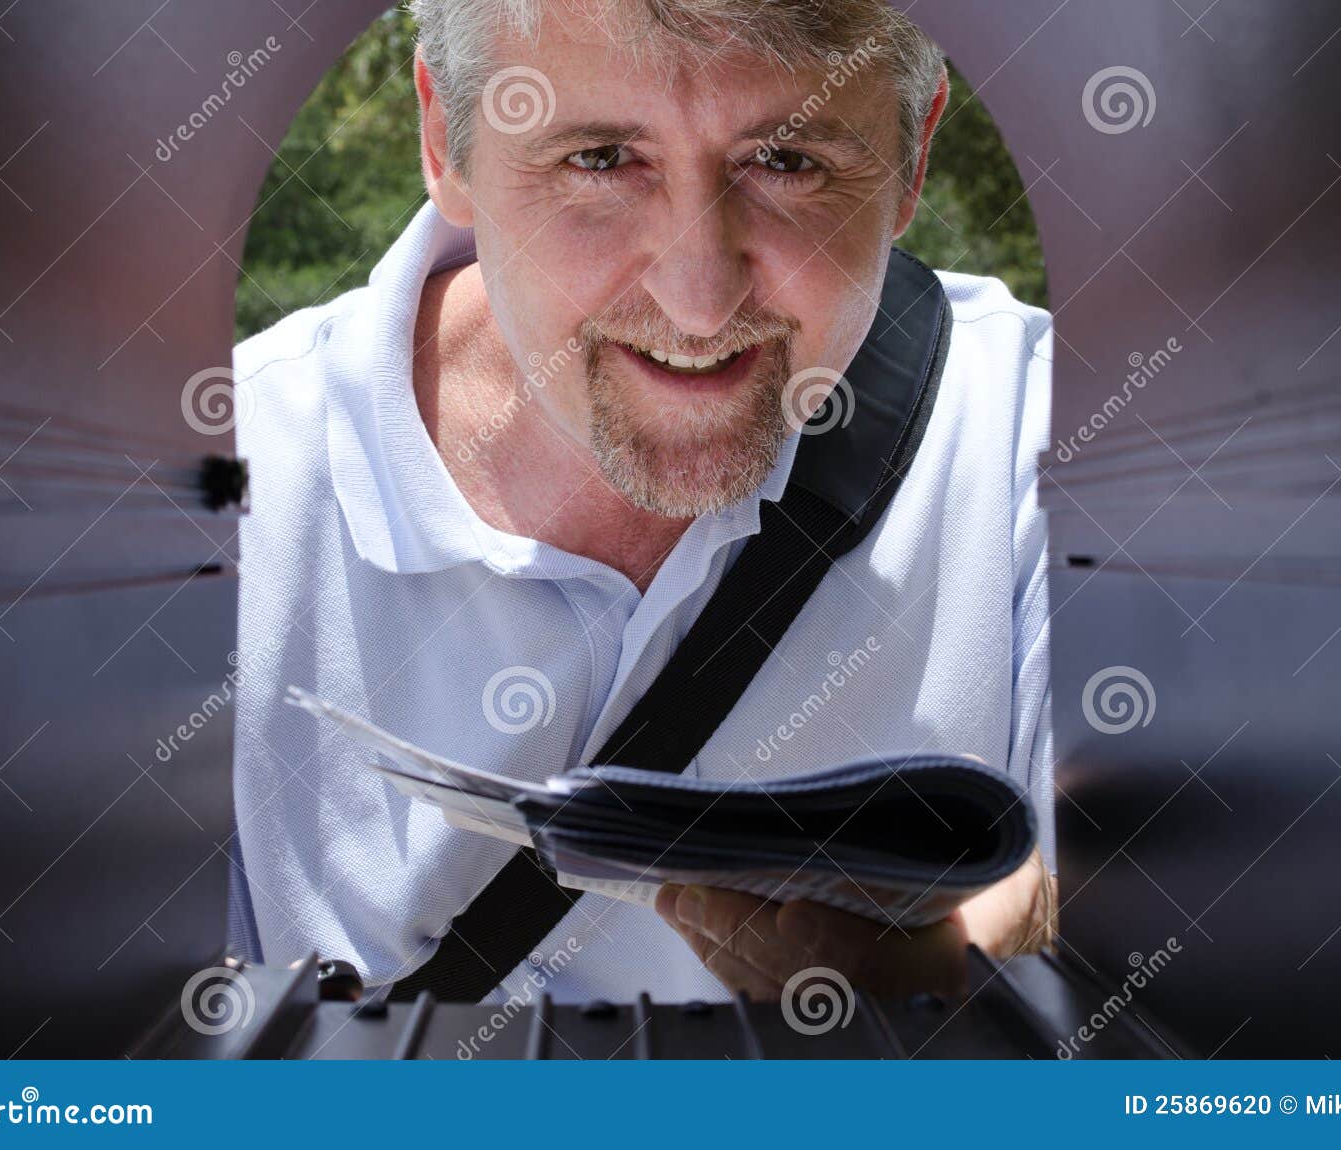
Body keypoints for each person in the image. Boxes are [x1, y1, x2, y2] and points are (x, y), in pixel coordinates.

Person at [228, 0, 1056, 1005]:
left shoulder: (1058, 444)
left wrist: (1004, 953)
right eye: (601, 159)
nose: (698, 300)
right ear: (446, 136)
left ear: (910, 163)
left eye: (789, 163)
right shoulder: (215, 492)